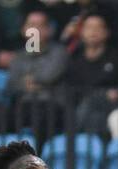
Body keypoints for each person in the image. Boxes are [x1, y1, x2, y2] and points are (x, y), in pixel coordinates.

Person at [6, 9, 70, 143]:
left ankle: (39, 160)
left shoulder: (59, 52)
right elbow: (12, 84)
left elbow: (49, 76)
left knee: (42, 117)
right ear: (23, 30)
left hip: (51, 106)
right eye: (31, 25)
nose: (35, 29)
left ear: (49, 30)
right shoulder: (18, 57)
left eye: (40, 25)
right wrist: (31, 84)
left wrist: (29, 81)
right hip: (24, 105)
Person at [68, 11, 118, 140]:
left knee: (94, 104)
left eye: (98, 27)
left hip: (111, 105)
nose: (93, 31)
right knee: (94, 116)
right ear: (81, 32)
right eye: (89, 27)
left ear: (107, 32)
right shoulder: (74, 59)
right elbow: (70, 90)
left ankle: (74, 139)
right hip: (85, 108)